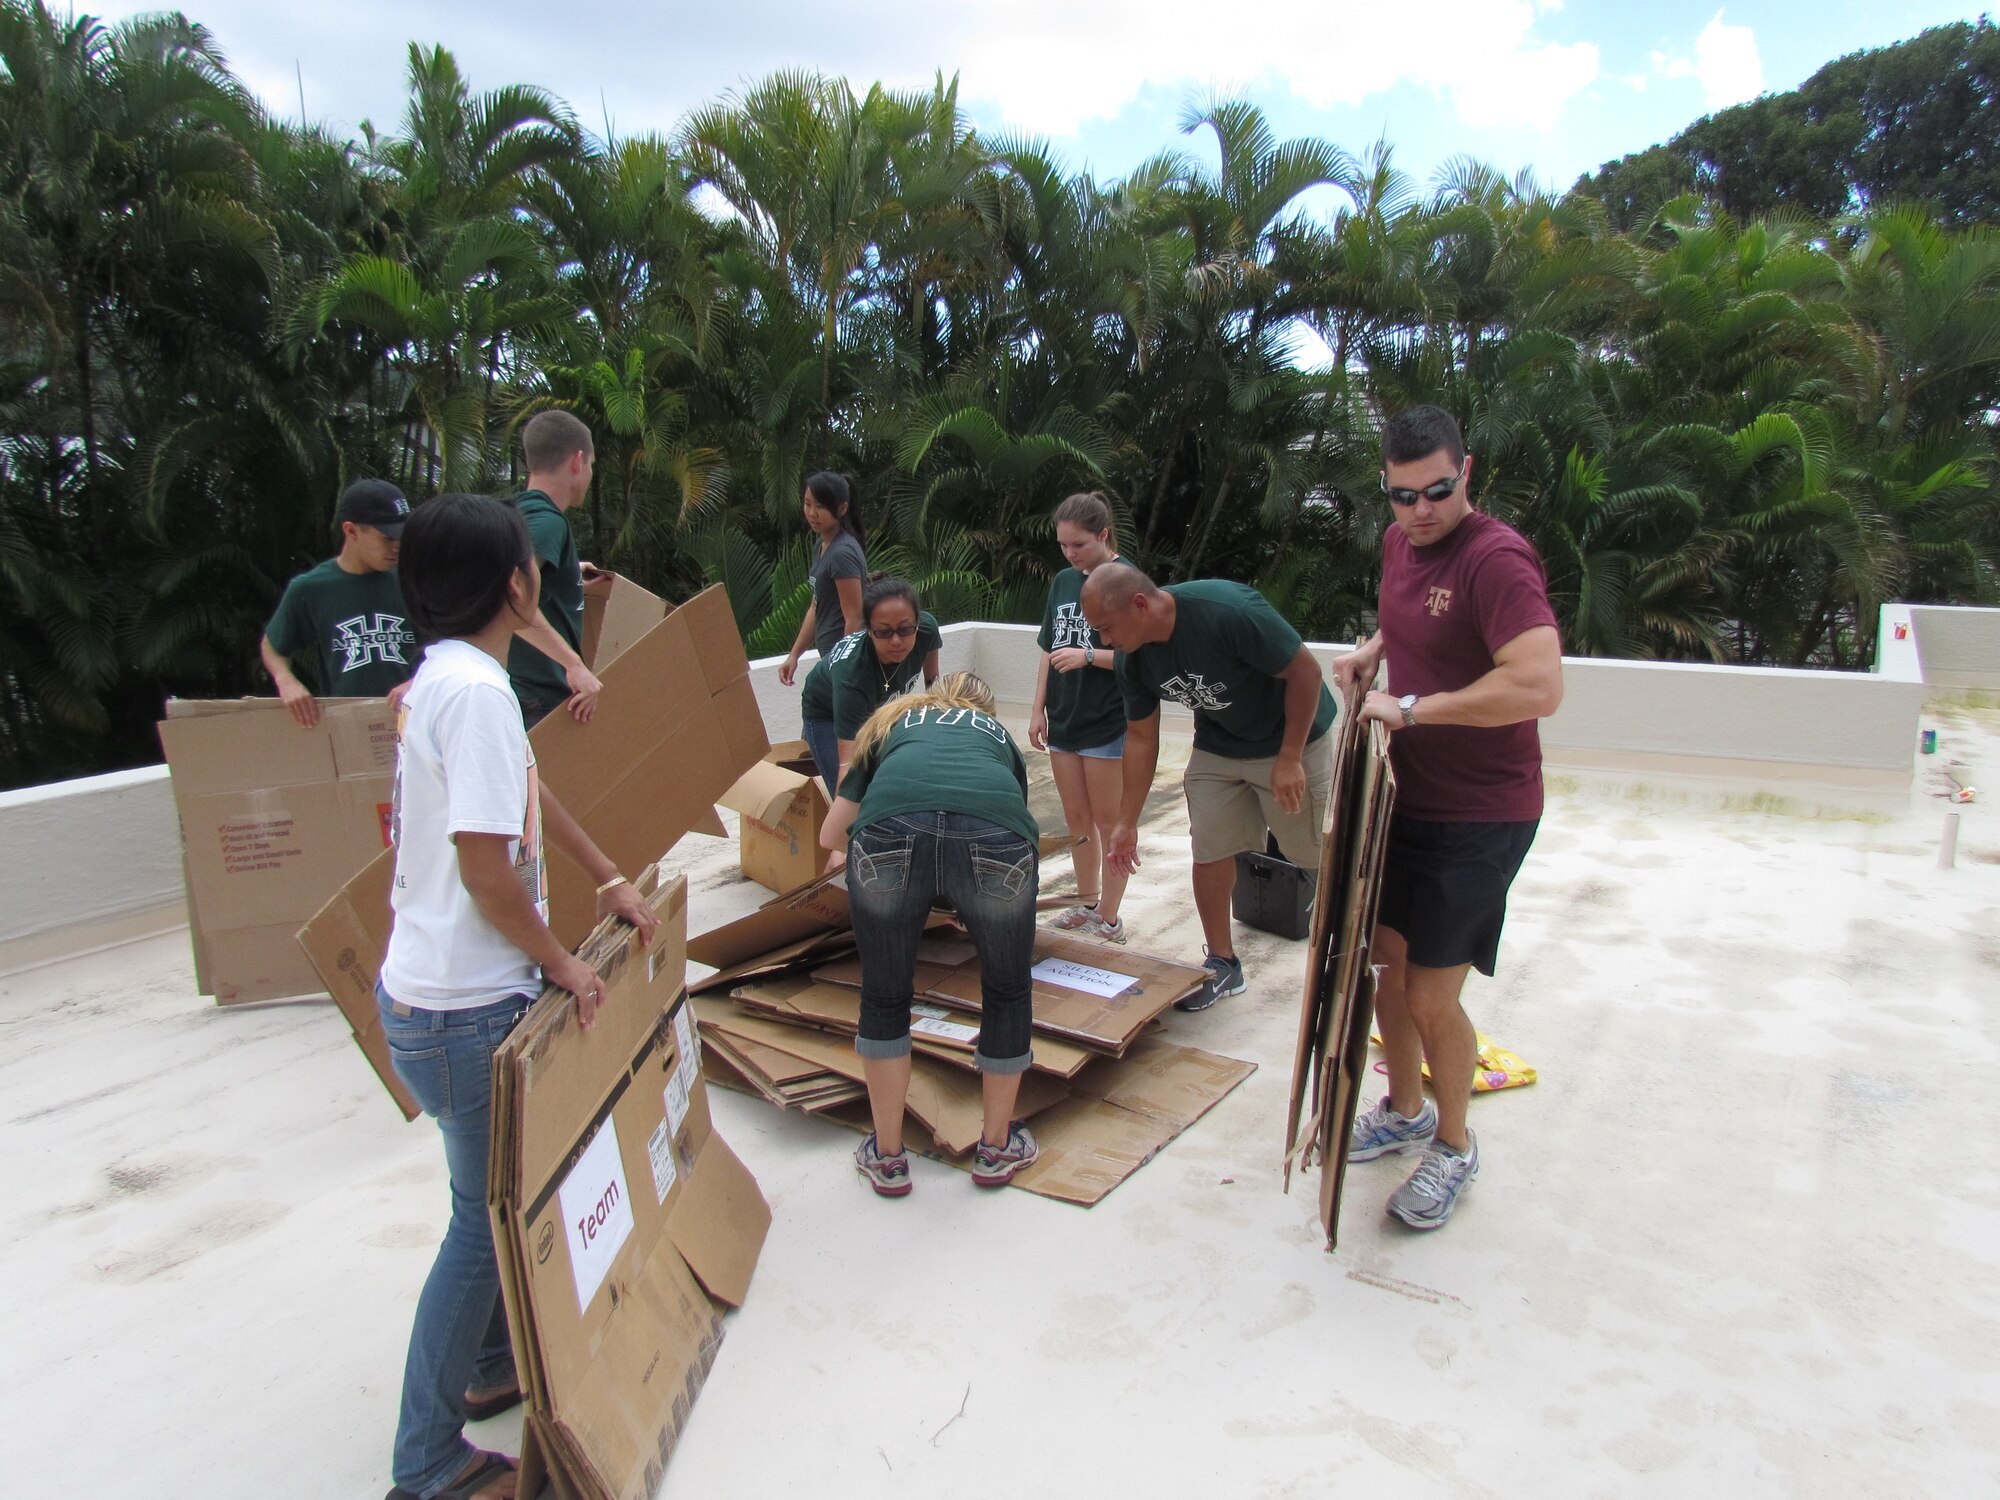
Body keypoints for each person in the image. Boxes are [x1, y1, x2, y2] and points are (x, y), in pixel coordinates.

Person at [376, 492, 659, 1500]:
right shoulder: (479, 696)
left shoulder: (447, 678)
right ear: (517, 583)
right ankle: (426, 1462)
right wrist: (563, 964)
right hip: (466, 1010)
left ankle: (495, 1363)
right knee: (478, 1226)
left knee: (485, 1209)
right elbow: (489, 874)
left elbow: (528, 794)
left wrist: (607, 875)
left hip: (427, 998)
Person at [1338, 403, 1563, 1232]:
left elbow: (1538, 685)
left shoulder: (1496, 560)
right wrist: (1376, 651)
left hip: (1481, 813)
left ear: (1466, 472)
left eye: (1437, 490)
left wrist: (1413, 709)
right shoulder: (1401, 543)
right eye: (1402, 496)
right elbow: (1417, 621)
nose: (1421, 510)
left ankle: (1455, 1146)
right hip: (1407, 799)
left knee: (1432, 997)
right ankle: (1404, 1111)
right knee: (1387, 973)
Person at [819, 672, 1041, 1195]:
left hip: (888, 833)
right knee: (1007, 990)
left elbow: (832, 834)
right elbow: (999, 821)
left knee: (884, 994)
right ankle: (996, 1148)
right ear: (985, 711)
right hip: (996, 838)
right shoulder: (997, 738)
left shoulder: (891, 725)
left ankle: (888, 1157)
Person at [1084, 563, 1337, 1011]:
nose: (1104, 641)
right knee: (1209, 848)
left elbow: (1306, 673)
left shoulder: (1226, 611)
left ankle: (1352, 947)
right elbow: (1141, 738)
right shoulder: (1132, 658)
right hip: (1219, 746)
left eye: (1106, 627)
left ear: (1139, 605)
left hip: (1293, 737)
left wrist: (1290, 757)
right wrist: (1127, 820)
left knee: (1316, 852)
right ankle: (1223, 963)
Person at [1028, 492, 1130, 944]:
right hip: (1063, 718)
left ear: (1103, 536)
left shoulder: (1126, 581)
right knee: (1076, 819)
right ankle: (1087, 904)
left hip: (1106, 721)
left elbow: (1138, 657)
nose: (1070, 554)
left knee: (1110, 824)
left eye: (1079, 545)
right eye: (1063, 545)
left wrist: (1089, 655)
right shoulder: (1062, 582)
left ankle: (1109, 918)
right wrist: (1037, 709)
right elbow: (1048, 648)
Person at [259, 478, 417, 727]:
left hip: (416, 722)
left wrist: (419, 682)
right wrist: (286, 681)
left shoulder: (416, 580)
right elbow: (273, 646)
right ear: (351, 531)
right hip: (348, 727)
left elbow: (454, 645)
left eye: (402, 535)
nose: (397, 546)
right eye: (388, 537)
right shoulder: (312, 588)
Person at [798, 575, 942, 796]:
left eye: (905, 629)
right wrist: (842, 811)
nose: (896, 641)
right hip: (826, 713)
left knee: (892, 775)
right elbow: (848, 768)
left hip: (877, 709)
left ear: (917, 624)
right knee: (856, 789)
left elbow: (933, 686)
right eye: (883, 632)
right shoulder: (853, 675)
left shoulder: (926, 631)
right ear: (868, 630)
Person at [504, 410, 604, 728]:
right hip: (538, 700)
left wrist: (568, 573)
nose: (590, 473)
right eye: (591, 464)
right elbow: (508, 592)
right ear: (577, 461)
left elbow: (512, 572)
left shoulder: (515, 512)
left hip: (517, 690)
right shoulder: (548, 521)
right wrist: (573, 664)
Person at [778, 470, 867, 690]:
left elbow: (854, 618)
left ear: (842, 508)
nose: (812, 513)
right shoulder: (822, 545)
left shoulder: (841, 553)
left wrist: (844, 667)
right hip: (830, 658)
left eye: (820, 506)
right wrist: (794, 655)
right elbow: (816, 605)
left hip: (842, 665)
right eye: (807, 504)